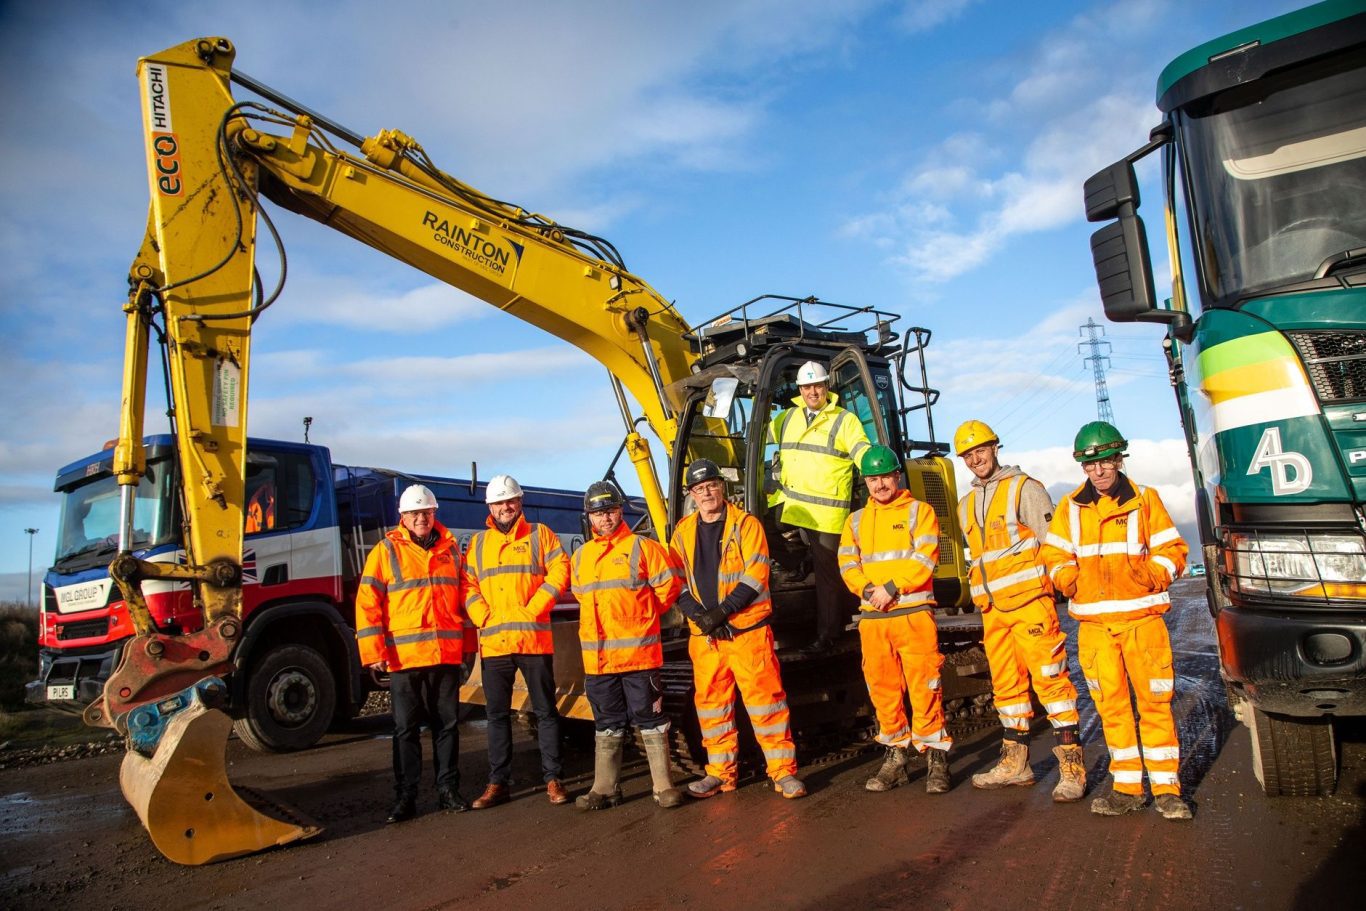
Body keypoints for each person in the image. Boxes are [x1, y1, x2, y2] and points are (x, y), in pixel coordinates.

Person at [1040, 421, 1191, 820]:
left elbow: (1174, 551)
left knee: (1155, 705)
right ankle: (1126, 787)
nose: (1100, 472)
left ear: (1119, 458)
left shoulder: (1145, 500)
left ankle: (1167, 790)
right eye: (1091, 466)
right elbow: (1053, 556)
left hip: (1142, 623)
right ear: (1082, 467)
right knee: (1112, 709)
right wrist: (1067, 579)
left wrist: (1151, 575)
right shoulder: (1070, 508)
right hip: (1095, 629)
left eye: (1106, 462)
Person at [953, 420, 1085, 802]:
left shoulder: (1024, 489)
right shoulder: (965, 506)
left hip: (1031, 606)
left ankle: (1071, 769)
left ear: (995, 448)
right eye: (968, 454)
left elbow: (1054, 543)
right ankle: (1016, 764)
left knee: (1052, 684)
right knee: (1007, 689)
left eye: (981, 450)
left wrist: (1066, 585)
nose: (976, 459)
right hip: (993, 611)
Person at [669, 459, 807, 800]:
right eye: (699, 489)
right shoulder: (683, 532)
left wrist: (722, 613)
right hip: (706, 638)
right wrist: (700, 617)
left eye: (712, 486)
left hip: (746, 631)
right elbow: (674, 580)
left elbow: (755, 575)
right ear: (691, 494)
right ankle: (720, 774)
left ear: (722, 488)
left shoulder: (745, 525)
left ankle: (783, 773)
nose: (706, 493)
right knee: (712, 706)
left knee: (766, 703)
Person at [838, 444, 952, 794]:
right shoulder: (855, 521)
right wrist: (868, 590)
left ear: (897, 476)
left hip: (913, 614)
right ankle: (896, 756)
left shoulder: (921, 512)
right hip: (875, 619)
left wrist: (890, 587)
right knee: (883, 689)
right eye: (873, 479)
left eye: (885, 476)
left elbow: (925, 557)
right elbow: (846, 564)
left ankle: (935, 757)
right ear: (866, 483)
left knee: (925, 687)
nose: (880, 484)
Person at [355, 484, 471, 823]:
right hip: (404, 659)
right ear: (403, 517)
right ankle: (406, 796)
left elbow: (463, 603)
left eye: (427, 512)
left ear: (435, 514)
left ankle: (448, 790)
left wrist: (468, 650)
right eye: (415, 513)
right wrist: (374, 651)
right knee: (405, 730)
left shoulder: (451, 551)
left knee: (447, 727)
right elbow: (367, 604)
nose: (421, 518)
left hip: (445, 656)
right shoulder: (385, 551)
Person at [570, 481, 684, 810]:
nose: (605, 518)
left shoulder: (642, 548)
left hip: (639, 657)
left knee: (650, 719)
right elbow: (581, 595)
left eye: (610, 510)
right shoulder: (581, 557)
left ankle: (663, 787)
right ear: (589, 517)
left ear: (619, 511)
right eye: (598, 513)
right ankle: (605, 789)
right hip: (599, 661)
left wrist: (640, 617)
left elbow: (667, 590)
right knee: (607, 723)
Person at [463, 474, 571, 808]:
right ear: (490, 507)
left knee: (545, 712)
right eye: (499, 502)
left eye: (510, 501)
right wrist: (482, 617)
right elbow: (467, 586)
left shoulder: (541, 535)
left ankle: (553, 780)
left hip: (533, 641)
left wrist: (534, 607)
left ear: (519, 502)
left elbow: (560, 570)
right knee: (497, 716)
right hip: (495, 644)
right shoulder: (479, 544)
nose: (505, 507)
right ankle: (498, 783)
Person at [770, 360, 871, 655]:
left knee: (829, 576)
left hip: (827, 510)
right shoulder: (786, 419)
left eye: (818, 385)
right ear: (799, 390)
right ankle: (800, 562)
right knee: (763, 526)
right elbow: (762, 436)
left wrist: (874, 466)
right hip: (795, 503)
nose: (812, 391)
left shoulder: (844, 420)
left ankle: (828, 634)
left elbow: (860, 448)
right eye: (807, 387)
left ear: (826, 386)